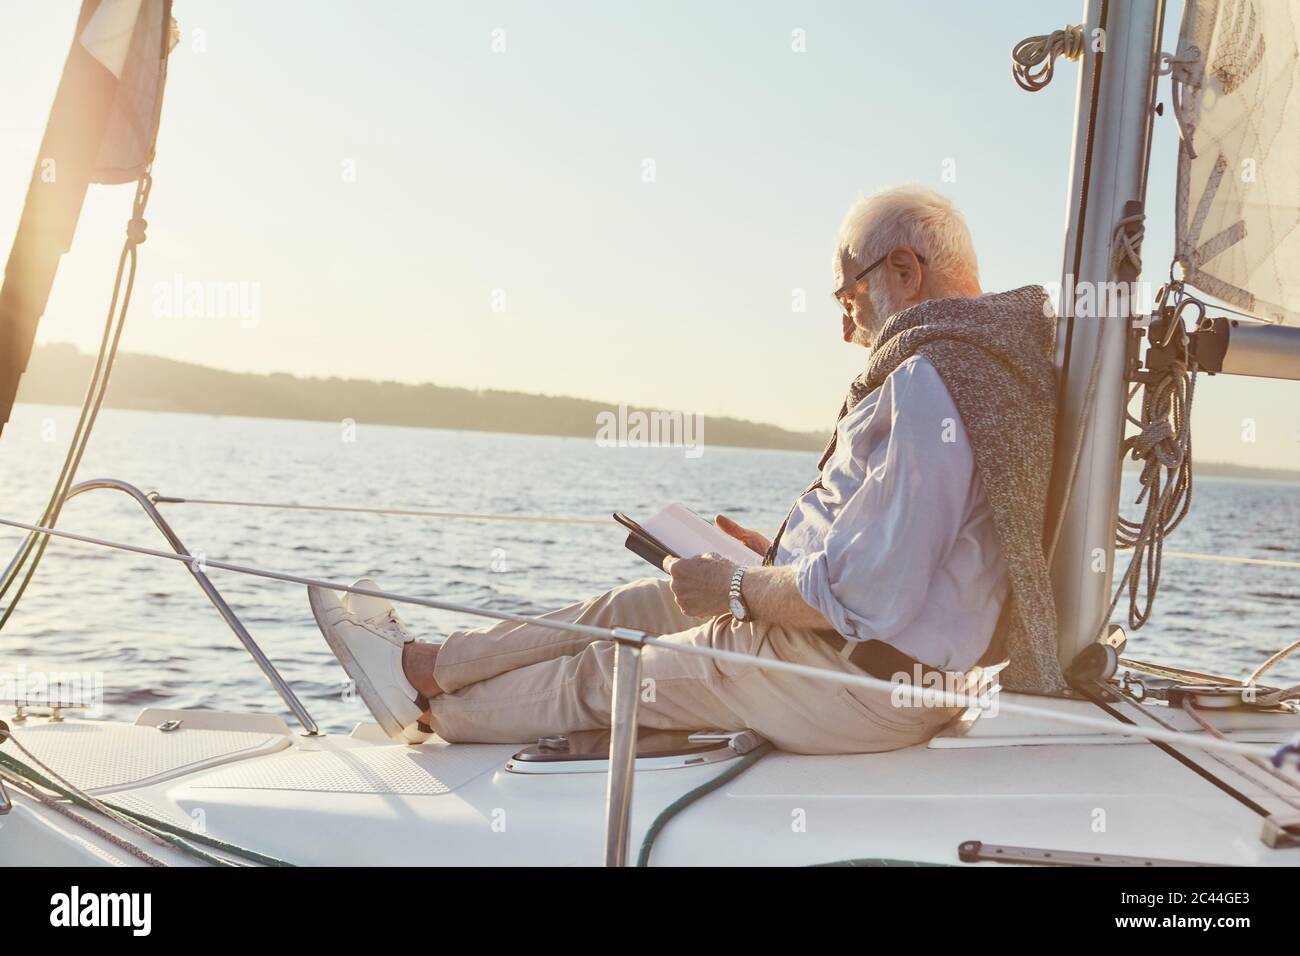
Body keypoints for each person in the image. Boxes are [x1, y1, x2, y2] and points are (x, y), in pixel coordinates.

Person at [310, 185, 1066, 756]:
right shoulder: (972, 366)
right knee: (630, 608)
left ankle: (432, 717)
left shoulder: (933, 377)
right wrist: (774, 561)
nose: (845, 324)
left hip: (857, 680)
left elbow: (872, 595)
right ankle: (423, 667)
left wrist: (736, 588)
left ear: (902, 268)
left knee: (608, 674)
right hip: (862, 658)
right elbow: (906, 557)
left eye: (847, 293)